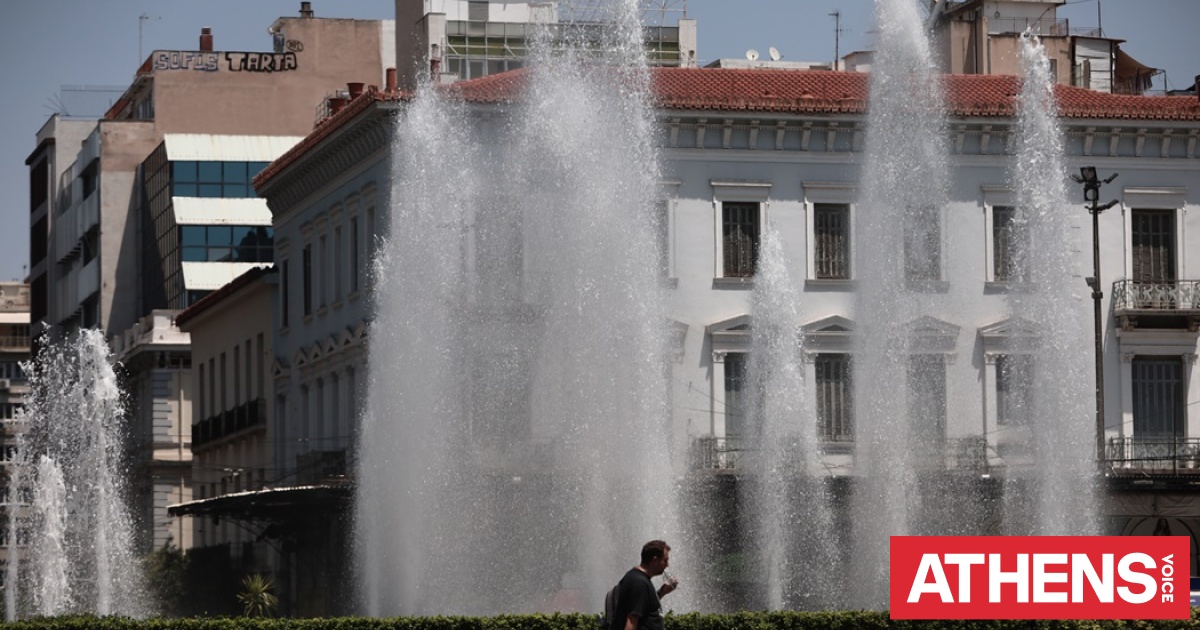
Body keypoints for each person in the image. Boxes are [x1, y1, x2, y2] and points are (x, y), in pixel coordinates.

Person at [610, 540, 679, 630]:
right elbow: (631, 622)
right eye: (665, 560)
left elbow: (644, 606)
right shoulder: (639, 582)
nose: (667, 565)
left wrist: (662, 592)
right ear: (655, 560)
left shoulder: (638, 578)